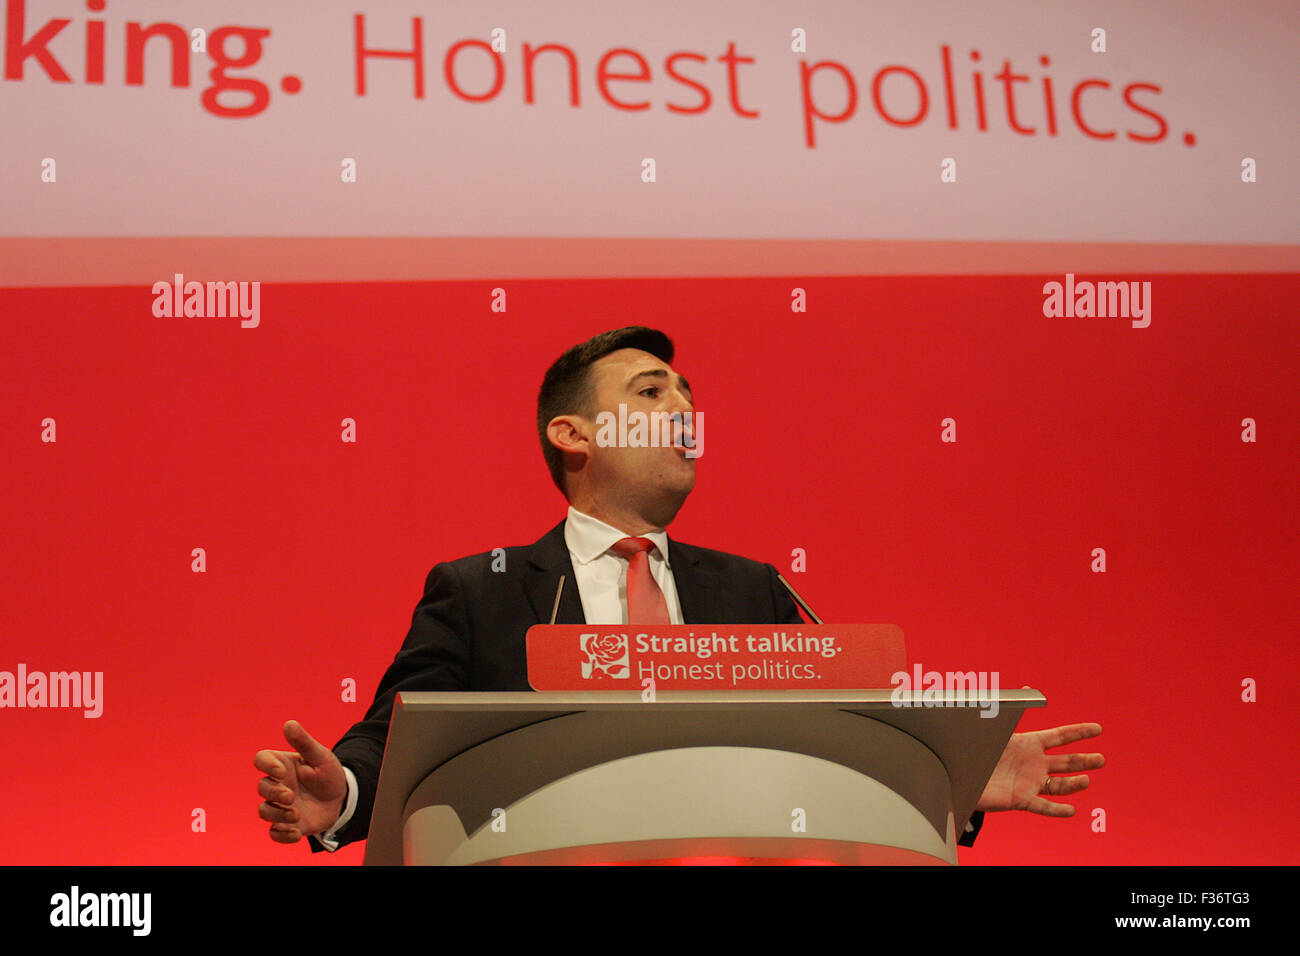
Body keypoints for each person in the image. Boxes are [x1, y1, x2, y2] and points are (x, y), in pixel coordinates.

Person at [254, 326, 1103, 855]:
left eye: (689, 394)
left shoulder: (755, 589)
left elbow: (837, 737)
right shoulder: (484, 590)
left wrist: (951, 779)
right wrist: (344, 796)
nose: (686, 408)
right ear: (572, 433)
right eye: (652, 392)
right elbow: (395, 732)